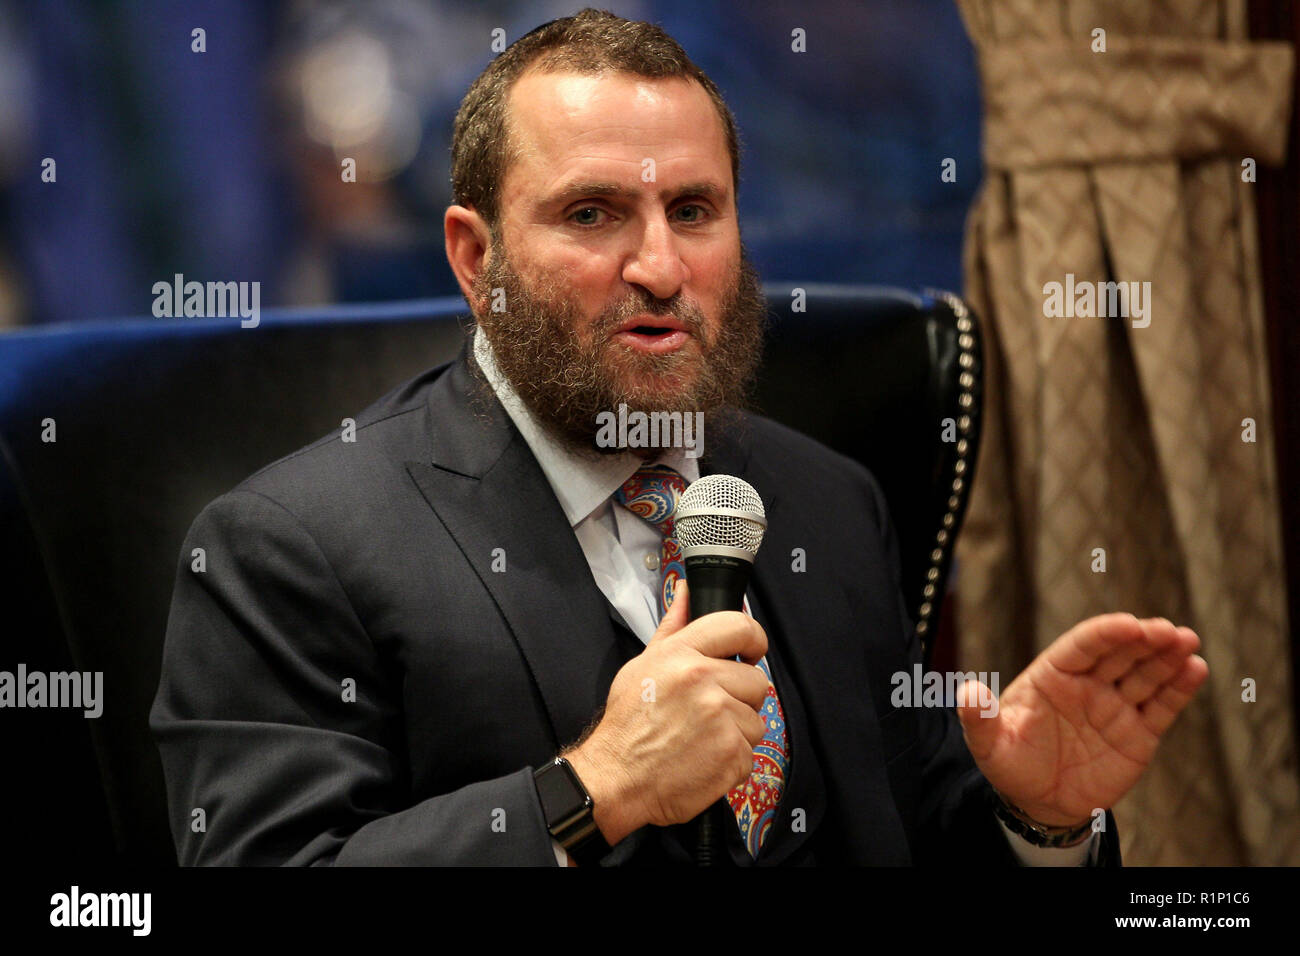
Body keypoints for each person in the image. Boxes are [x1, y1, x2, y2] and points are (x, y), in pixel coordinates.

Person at [150, 9, 1207, 866]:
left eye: (694, 210)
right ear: (476, 259)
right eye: (594, 213)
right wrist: (589, 790)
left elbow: (910, 822)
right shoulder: (289, 547)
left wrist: (1034, 816)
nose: (660, 265)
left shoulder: (824, 498)